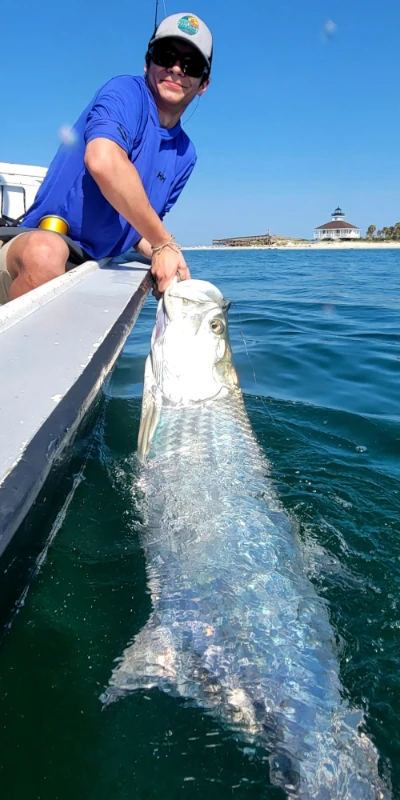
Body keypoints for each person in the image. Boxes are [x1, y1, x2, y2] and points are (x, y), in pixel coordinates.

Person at [0, 12, 212, 305]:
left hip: (95, 267)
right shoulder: (126, 92)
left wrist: (171, 256)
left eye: (191, 65)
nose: (176, 69)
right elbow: (103, 160)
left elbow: (142, 230)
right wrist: (163, 242)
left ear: (204, 84)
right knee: (45, 252)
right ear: (147, 62)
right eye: (166, 55)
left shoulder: (186, 155)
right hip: (34, 252)